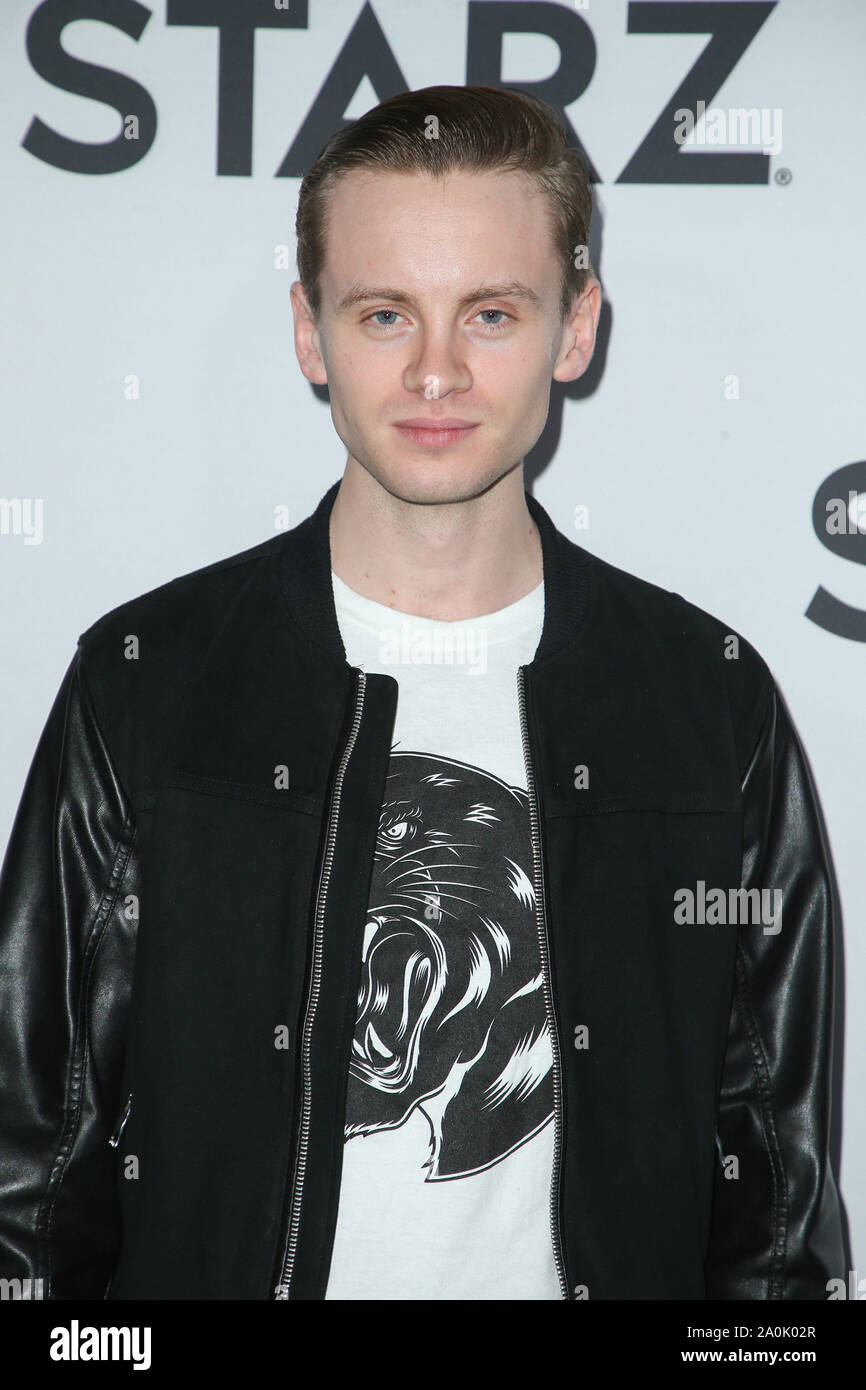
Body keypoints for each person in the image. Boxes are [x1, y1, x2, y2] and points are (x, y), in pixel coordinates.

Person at [0, 84, 846, 1301]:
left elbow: (773, 1199)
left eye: (490, 314)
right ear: (310, 332)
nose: (436, 372)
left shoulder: (704, 705)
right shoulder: (151, 683)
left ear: (575, 327)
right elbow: (35, 1167)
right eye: (385, 312)